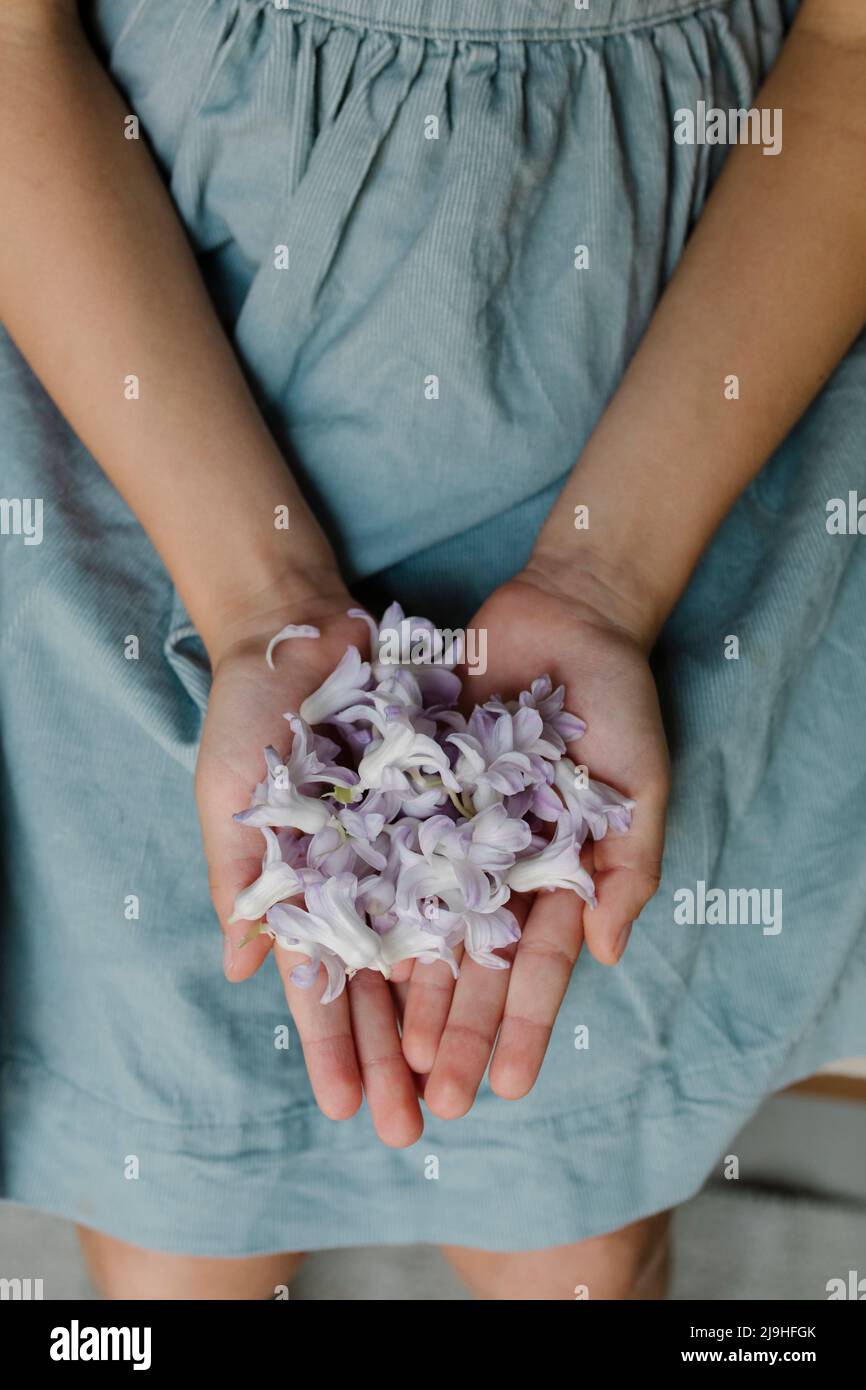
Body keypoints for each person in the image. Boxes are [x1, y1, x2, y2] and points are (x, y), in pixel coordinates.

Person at [1, 0, 864, 1301]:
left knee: (572, 1220)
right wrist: (253, 599)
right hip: (135, 351)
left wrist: (602, 576)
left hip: (677, 388)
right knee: (176, 1195)